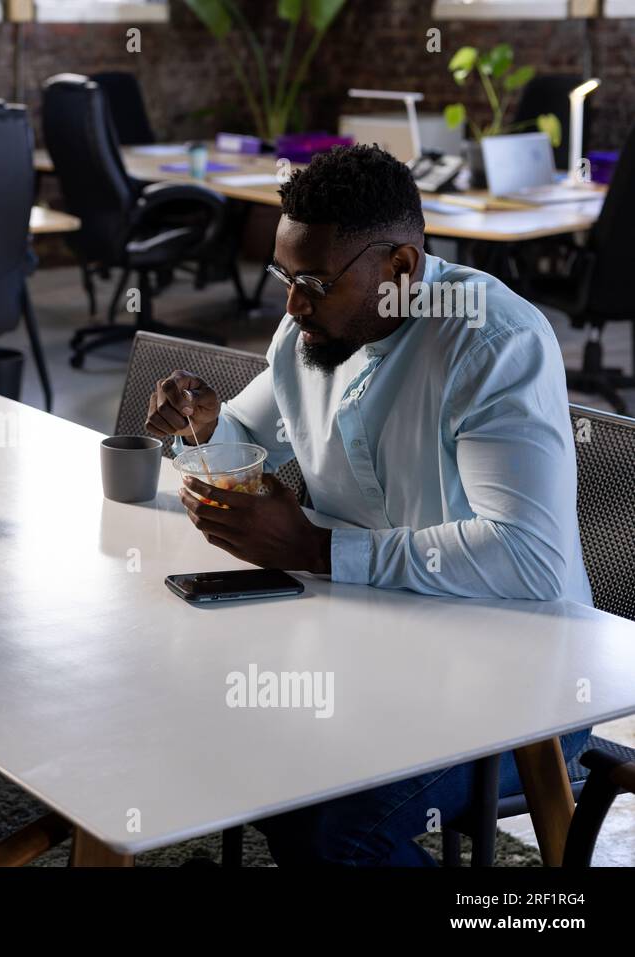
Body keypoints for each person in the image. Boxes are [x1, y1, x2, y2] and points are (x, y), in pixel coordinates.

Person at [145, 144, 591, 865]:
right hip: (364, 643)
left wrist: (312, 547)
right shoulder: (312, 328)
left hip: (518, 681)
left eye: (315, 282)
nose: (292, 304)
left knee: (328, 824)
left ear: (402, 269)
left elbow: (527, 559)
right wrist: (202, 423)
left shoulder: (490, 342)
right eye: (285, 276)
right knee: (203, 718)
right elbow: (243, 434)